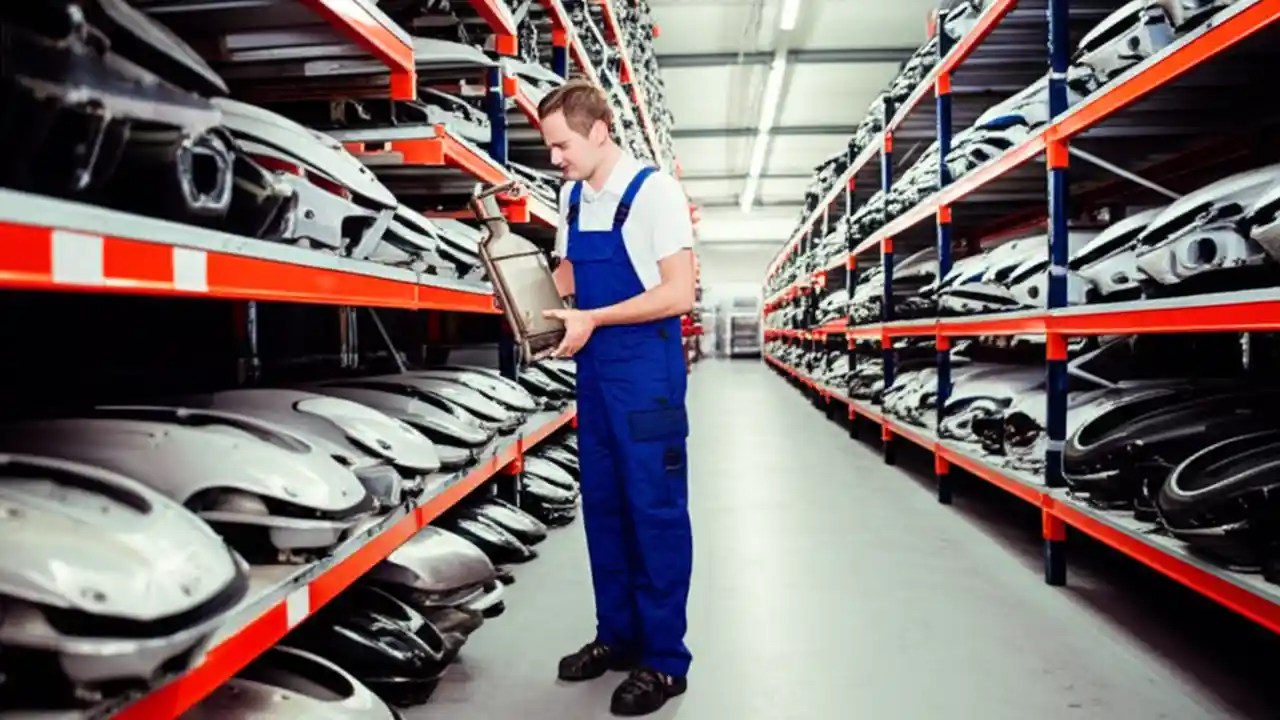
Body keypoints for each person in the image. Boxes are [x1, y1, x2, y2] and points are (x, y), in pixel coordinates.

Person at [535, 78, 697, 716]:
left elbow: (678, 292)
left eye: (562, 145)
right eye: (550, 148)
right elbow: (569, 273)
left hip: (646, 377)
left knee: (653, 513)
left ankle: (663, 662)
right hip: (596, 376)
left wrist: (594, 320)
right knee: (603, 508)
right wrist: (522, 294)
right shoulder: (572, 197)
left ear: (598, 131)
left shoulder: (654, 192)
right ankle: (619, 637)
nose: (556, 158)